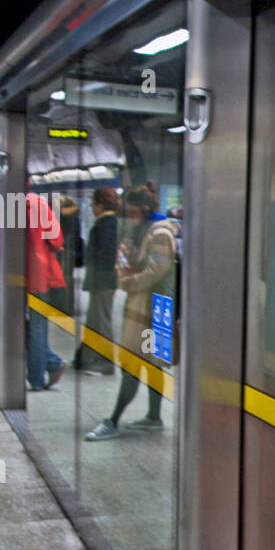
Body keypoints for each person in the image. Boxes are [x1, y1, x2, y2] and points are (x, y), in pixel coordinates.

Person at [84, 182, 177, 440]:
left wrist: (125, 282)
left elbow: (155, 271)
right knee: (149, 364)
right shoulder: (142, 230)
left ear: (146, 209)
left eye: (134, 213)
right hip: (148, 307)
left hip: (155, 309)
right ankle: (154, 417)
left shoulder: (160, 233)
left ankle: (112, 421)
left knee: (134, 363)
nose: (130, 218)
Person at [74, 187, 120, 375]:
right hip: (102, 281)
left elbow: (107, 254)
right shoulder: (107, 223)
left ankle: (106, 361)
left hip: (103, 281)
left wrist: (102, 274)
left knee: (101, 321)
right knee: (95, 319)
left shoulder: (106, 224)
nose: (92, 208)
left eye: (94, 204)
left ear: (101, 205)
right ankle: (84, 358)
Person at [24, 191, 67, 390]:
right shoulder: (38, 204)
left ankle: (50, 364)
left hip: (11, 275)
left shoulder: (2, 205)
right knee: (37, 326)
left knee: (17, 325)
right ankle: (40, 375)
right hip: (37, 273)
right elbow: (56, 240)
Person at [46, 196, 83, 316]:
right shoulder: (75, 216)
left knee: (60, 279)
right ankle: (67, 307)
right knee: (67, 279)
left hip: (62, 250)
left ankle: (61, 307)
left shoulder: (62, 216)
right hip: (69, 251)